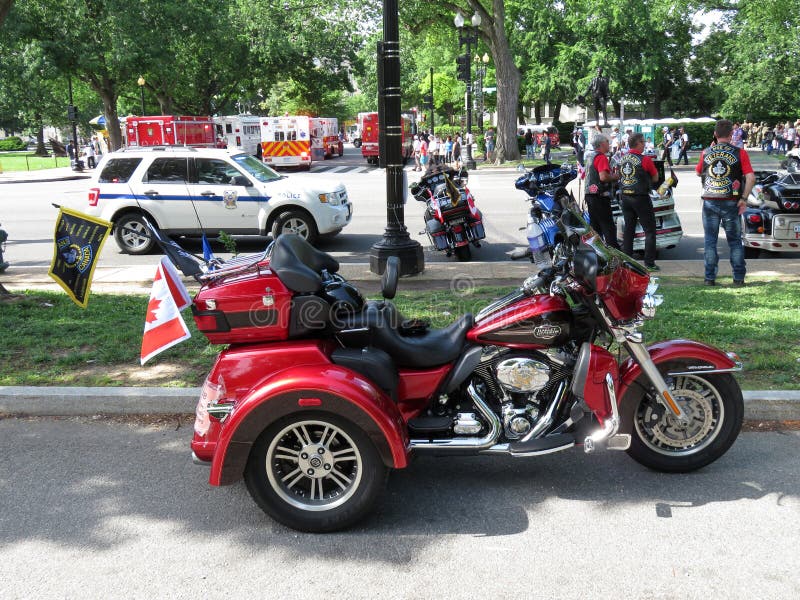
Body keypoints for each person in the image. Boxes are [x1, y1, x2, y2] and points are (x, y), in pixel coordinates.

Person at [695, 119, 755, 286]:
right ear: (731, 135)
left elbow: (699, 172)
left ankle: (709, 278)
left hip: (710, 200)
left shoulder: (706, 152)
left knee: (710, 241)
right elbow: (751, 177)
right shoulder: (740, 152)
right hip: (731, 200)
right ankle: (738, 278)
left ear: (715, 134)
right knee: (735, 241)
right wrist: (743, 198)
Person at [618, 133, 659, 271]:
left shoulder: (623, 159)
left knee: (629, 229)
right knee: (650, 230)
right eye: (643, 142)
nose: (645, 144)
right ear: (638, 143)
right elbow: (655, 178)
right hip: (640, 197)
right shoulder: (644, 159)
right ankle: (649, 263)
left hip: (625, 197)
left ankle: (627, 261)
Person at [584, 133, 620, 249]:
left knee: (595, 227)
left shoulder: (590, 156)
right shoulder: (601, 157)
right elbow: (603, 177)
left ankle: (597, 252)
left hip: (590, 195)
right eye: (607, 142)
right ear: (601, 144)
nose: (609, 144)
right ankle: (614, 252)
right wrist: (616, 176)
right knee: (608, 226)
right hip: (600, 196)